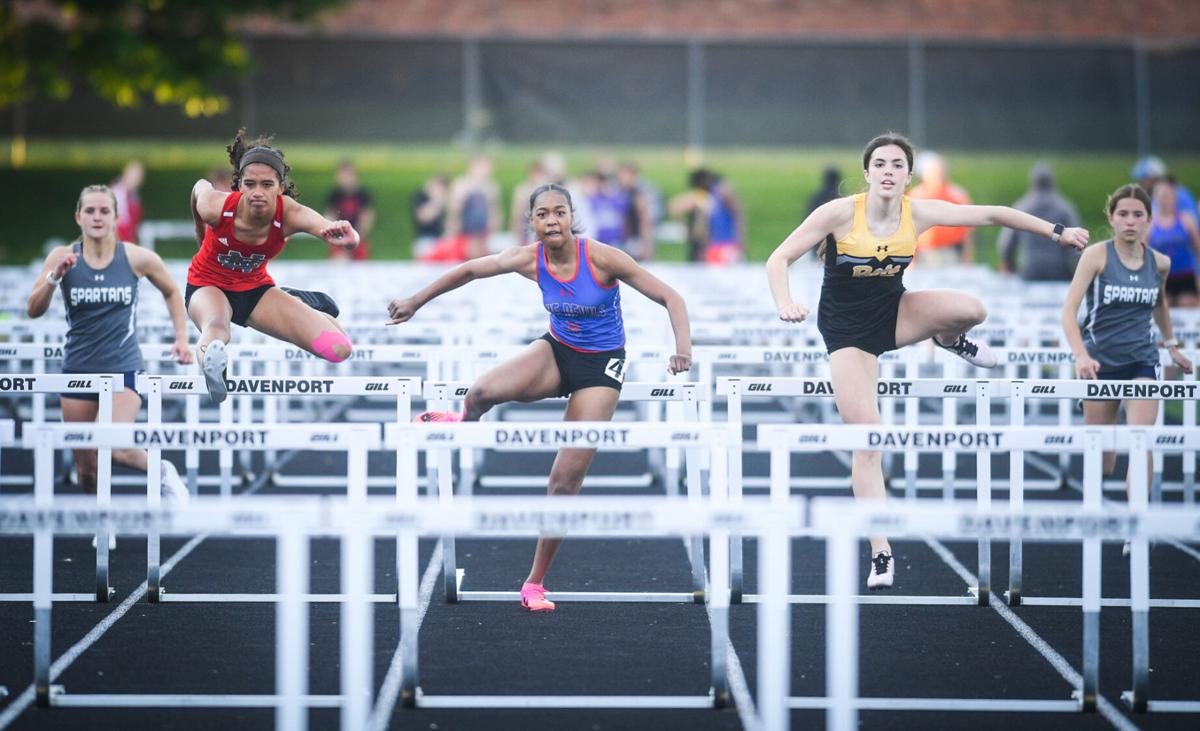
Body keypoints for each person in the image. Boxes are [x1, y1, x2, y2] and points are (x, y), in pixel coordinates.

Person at [766, 132, 1088, 589]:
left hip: (895, 314)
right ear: (867, 172)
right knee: (869, 441)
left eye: (898, 165)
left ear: (908, 175)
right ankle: (881, 552)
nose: (888, 172)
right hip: (847, 333)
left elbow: (993, 214)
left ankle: (951, 338)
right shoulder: (839, 213)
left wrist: (1056, 232)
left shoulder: (915, 212)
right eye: (880, 164)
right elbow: (778, 259)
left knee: (973, 309)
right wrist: (785, 302)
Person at [387, 183, 692, 613]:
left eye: (560, 213)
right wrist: (416, 301)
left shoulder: (602, 257)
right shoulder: (527, 259)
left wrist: (683, 349)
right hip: (556, 349)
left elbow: (670, 297)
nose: (552, 221)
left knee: (564, 479)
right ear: (532, 222)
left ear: (571, 217)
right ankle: (464, 425)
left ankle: (534, 582)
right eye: (543, 214)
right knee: (481, 391)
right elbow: (469, 270)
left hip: (600, 367)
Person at [27, 184, 192, 505]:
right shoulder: (62, 257)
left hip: (123, 368)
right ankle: (105, 526)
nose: (97, 217)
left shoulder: (136, 257)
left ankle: (162, 472)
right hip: (77, 370)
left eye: (105, 211)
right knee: (86, 473)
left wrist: (182, 338)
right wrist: (54, 278)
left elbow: (173, 290)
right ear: (78, 217)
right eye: (90, 210)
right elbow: (33, 310)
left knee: (117, 445)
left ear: (116, 217)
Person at [1061, 184, 1193, 554]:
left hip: (1141, 362)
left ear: (1150, 220)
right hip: (1100, 364)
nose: (1130, 222)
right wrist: (1080, 355)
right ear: (1111, 218)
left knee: (1140, 439)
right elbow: (1068, 312)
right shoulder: (1096, 257)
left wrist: (1171, 347)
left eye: (1138, 215)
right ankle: (1094, 511)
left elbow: (1160, 305)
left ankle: (1136, 523)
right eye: (1123, 214)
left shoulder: (1160, 263)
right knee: (1103, 460)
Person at [187, 129, 360, 405]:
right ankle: (213, 365)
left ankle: (296, 300)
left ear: (280, 188)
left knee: (339, 349)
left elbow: (335, 232)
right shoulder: (216, 206)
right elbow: (199, 187)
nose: (257, 192)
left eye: (266, 185)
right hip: (207, 284)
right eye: (250, 184)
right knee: (218, 326)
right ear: (239, 185)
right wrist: (200, 232)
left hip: (255, 290)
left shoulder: (289, 213)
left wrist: (348, 237)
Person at [997, 162, 1083, 281]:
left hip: (1030, 270)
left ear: (1032, 182)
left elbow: (1006, 244)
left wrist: (1009, 264)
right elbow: (1077, 243)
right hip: (1059, 271)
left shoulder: (1021, 207)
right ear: (1052, 182)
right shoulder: (1065, 208)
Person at [908, 151, 975, 265]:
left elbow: (967, 232)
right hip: (924, 254)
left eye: (941, 172)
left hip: (949, 253)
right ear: (925, 175)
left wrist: (967, 260)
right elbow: (909, 232)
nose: (939, 176)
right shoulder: (916, 196)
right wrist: (911, 261)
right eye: (934, 173)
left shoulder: (957, 195)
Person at [1147, 177, 1200, 307]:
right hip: (1162, 277)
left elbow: (1197, 249)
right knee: (1164, 307)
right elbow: (1142, 255)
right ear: (1155, 198)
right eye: (1160, 195)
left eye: (1167, 195)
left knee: (1186, 305)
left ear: (1174, 197)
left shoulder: (1186, 219)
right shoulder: (1150, 224)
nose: (1164, 199)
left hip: (1185, 275)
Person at [445, 155, 501, 260]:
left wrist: (494, 225)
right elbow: (454, 209)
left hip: (482, 232)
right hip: (464, 230)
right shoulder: (461, 184)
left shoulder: (491, 186)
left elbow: (494, 210)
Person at [325, 160, 375, 261]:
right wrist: (340, 238)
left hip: (359, 239)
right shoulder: (334, 195)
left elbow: (367, 218)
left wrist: (355, 238)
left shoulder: (363, 195)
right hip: (339, 240)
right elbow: (330, 216)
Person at [411, 173, 450, 258]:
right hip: (425, 240)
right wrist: (436, 200)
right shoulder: (421, 196)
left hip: (442, 239)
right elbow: (424, 218)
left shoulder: (446, 200)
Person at [109, 160, 145, 244]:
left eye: (139, 176)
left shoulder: (134, 196)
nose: (136, 178)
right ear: (125, 174)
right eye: (134, 175)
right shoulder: (117, 192)